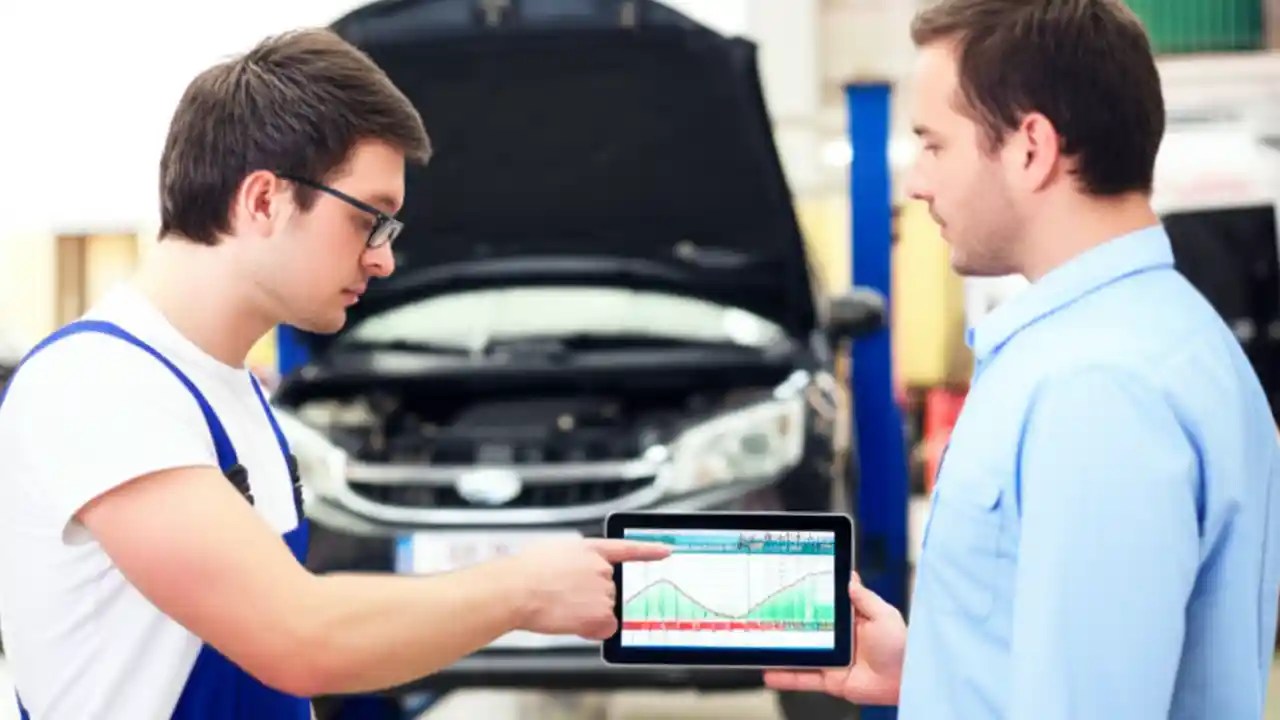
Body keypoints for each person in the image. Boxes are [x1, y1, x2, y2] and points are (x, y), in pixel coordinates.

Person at [0, 28, 669, 719]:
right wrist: (524, 591)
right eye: (369, 220)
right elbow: (298, 635)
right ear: (264, 200)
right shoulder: (98, 386)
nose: (383, 260)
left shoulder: (228, 391)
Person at [766, 0, 1280, 717]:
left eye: (935, 144)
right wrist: (936, 672)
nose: (916, 181)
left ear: (1030, 147)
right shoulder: (1160, 340)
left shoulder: (1097, 388)